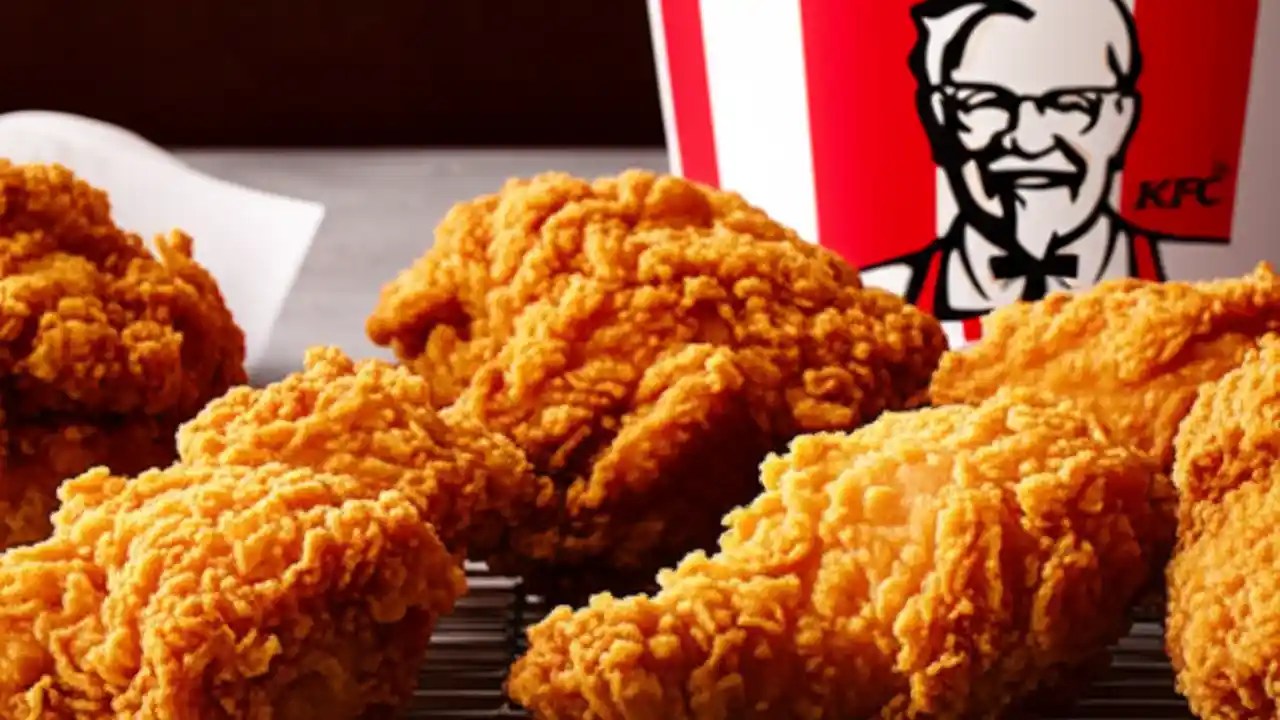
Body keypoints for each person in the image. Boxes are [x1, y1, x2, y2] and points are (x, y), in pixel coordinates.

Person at [862, 0, 1222, 341]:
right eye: (986, 102)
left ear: (1121, 118)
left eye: (1070, 105)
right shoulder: (873, 299)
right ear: (941, 118)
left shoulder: (1215, 292)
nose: (1030, 142)